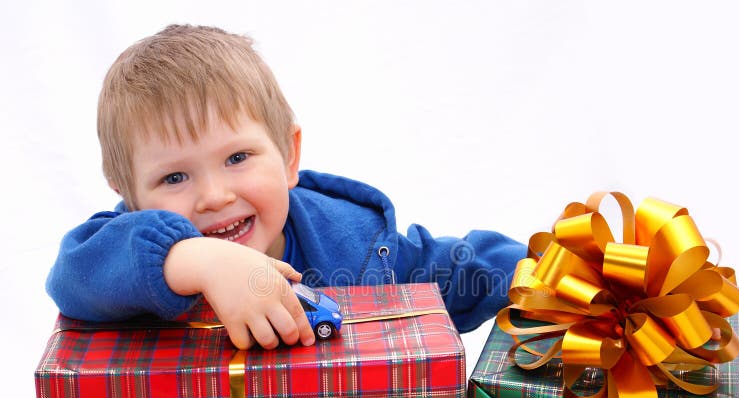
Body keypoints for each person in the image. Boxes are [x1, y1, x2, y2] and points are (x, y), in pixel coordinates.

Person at [46, 24, 526, 350]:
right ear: (130, 195)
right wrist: (197, 261)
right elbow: (71, 274)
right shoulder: (125, 253)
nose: (214, 195)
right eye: (174, 177)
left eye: (237, 158)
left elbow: (445, 270)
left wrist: (540, 274)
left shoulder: (353, 246)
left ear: (289, 155)